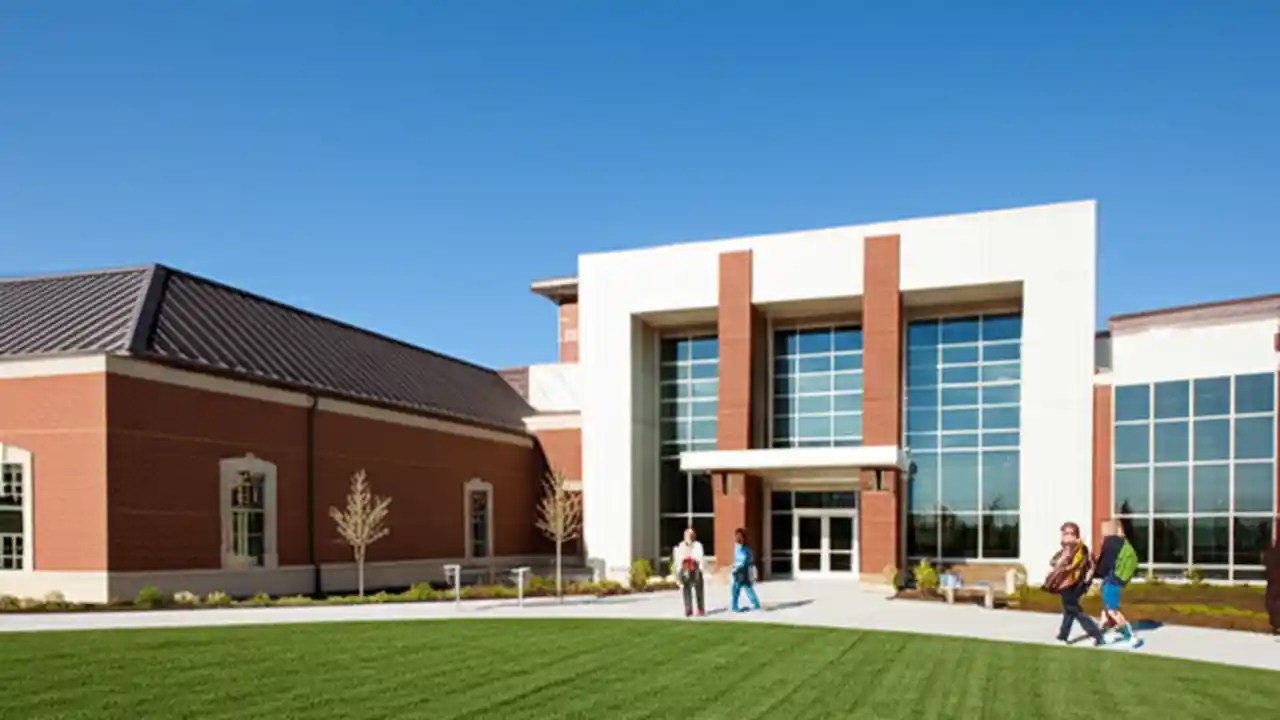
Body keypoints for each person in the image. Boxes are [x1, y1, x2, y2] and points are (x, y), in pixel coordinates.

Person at [1042, 521, 1104, 646]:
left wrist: (1062, 566)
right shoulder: (1066, 549)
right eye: (1065, 533)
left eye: (1071, 533)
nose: (1067, 536)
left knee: (1074, 610)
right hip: (1065, 584)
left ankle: (1096, 634)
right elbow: (1054, 562)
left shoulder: (1080, 550)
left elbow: (1076, 568)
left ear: (1076, 536)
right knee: (1069, 610)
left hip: (1072, 585)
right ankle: (1062, 636)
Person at [1093, 519, 1142, 648]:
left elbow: (1104, 564)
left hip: (1111, 580)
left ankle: (1130, 636)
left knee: (1111, 610)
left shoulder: (1110, 542)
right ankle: (1099, 636)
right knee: (1105, 610)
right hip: (1114, 579)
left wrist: (1094, 574)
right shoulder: (1121, 543)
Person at [673, 527, 705, 617]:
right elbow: (678, 558)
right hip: (685, 571)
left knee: (699, 589)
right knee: (686, 590)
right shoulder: (681, 545)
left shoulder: (698, 545)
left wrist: (693, 560)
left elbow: (700, 557)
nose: (688, 537)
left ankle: (700, 608)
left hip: (696, 570)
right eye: (687, 535)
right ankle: (688, 609)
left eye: (690, 535)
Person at [730, 527, 761, 613]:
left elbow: (743, 560)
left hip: (740, 571)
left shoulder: (742, 549)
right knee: (747, 587)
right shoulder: (742, 548)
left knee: (736, 588)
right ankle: (755, 604)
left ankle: (734, 606)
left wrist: (737, 568)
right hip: (741, 570)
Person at [1264, 534, 1279, 636]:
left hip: (1273, 582)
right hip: (1274, 581)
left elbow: (1266, 566)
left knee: (1272, 603)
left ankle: (1275, 625)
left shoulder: (1270, 554)